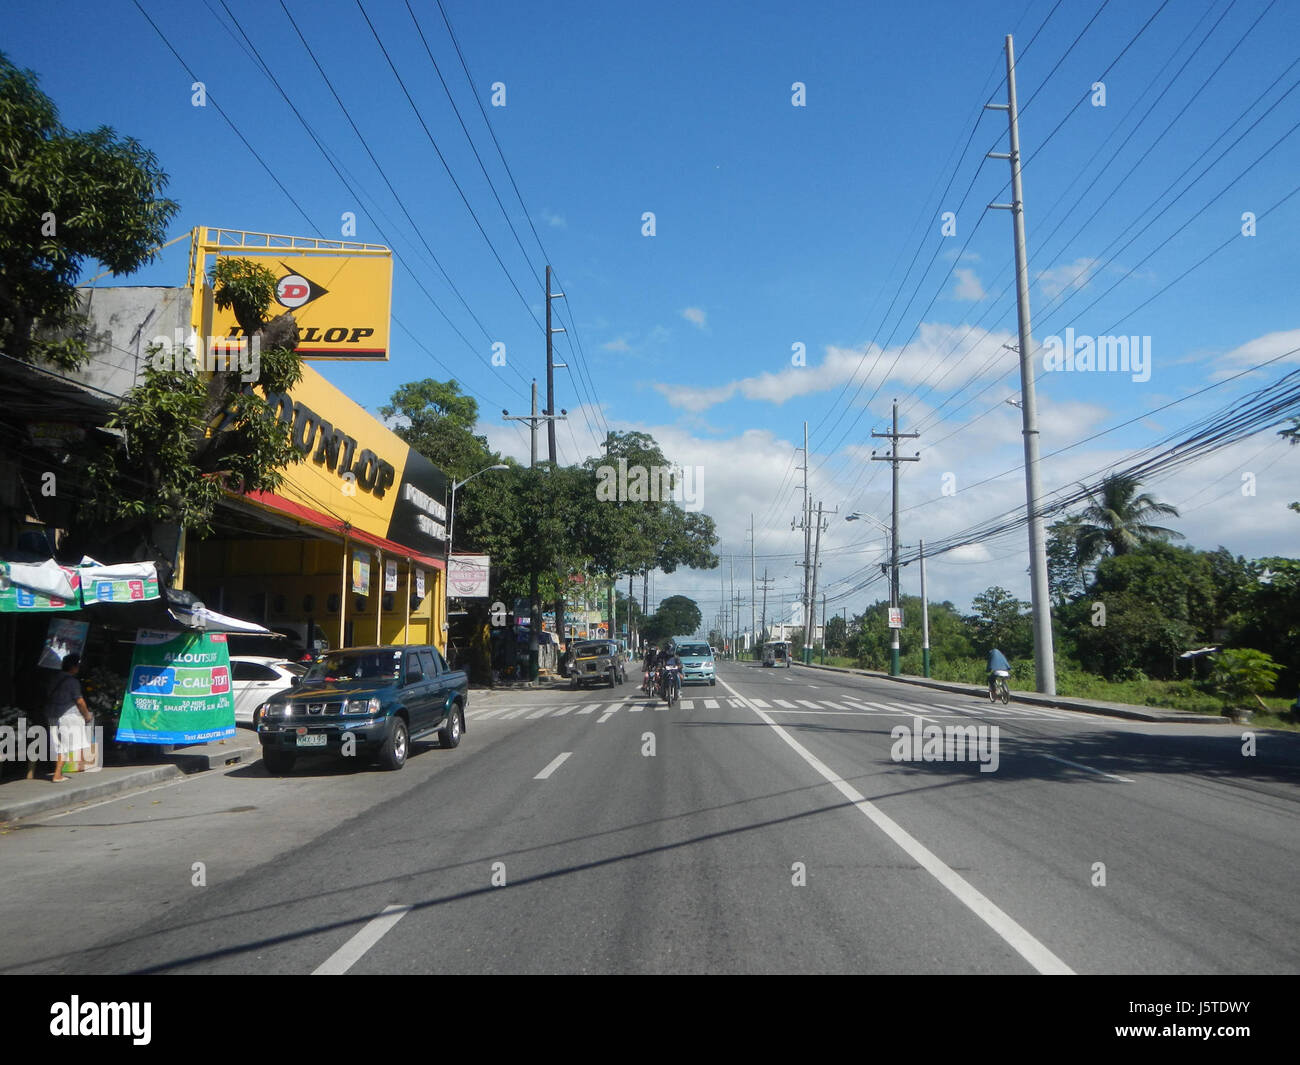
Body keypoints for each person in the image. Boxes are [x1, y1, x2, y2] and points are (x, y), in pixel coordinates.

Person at [45, 654, 93, 782]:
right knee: (64, 745)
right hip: (67, 716)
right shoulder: (72, 682)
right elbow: (80, 701)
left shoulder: (53, 678)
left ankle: (57, 772)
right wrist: (86, 715)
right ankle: (57, 774)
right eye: (77, 665)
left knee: (57, 744)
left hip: (52, 714)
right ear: (73, 667)